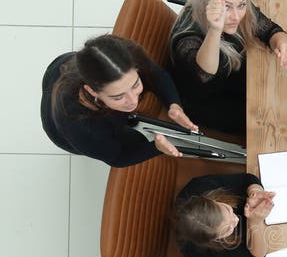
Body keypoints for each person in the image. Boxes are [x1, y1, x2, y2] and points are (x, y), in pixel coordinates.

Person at [169, 0, 287, 137]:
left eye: (241, 5)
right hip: (211, 101)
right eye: (227, 7)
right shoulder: (187, 41)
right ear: (207, 4)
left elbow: (268, 29)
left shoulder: (235, 5)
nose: (236, 16)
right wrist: (215, 29)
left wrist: (283, 43)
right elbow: (205, 74)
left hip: (234, 78)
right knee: (277, 124)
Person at [40, 34, 197, 167]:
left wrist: (174, 105)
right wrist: (156, 147)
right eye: (118, 96)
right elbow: (118, 157)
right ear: (92, 91)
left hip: (71, 66)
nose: (132, 101)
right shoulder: (78, 124)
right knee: (127, 139)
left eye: (135, 85)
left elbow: (157, 75)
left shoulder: (125, 55)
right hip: (64, 127)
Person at [172, 173, 275, 257]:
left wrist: (254, 192)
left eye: (228, 209)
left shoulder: (202, 186)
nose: (236, 219)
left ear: (213, 200)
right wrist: (255, 223)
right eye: (229, 228)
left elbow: (246, 180)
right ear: (215, 239)